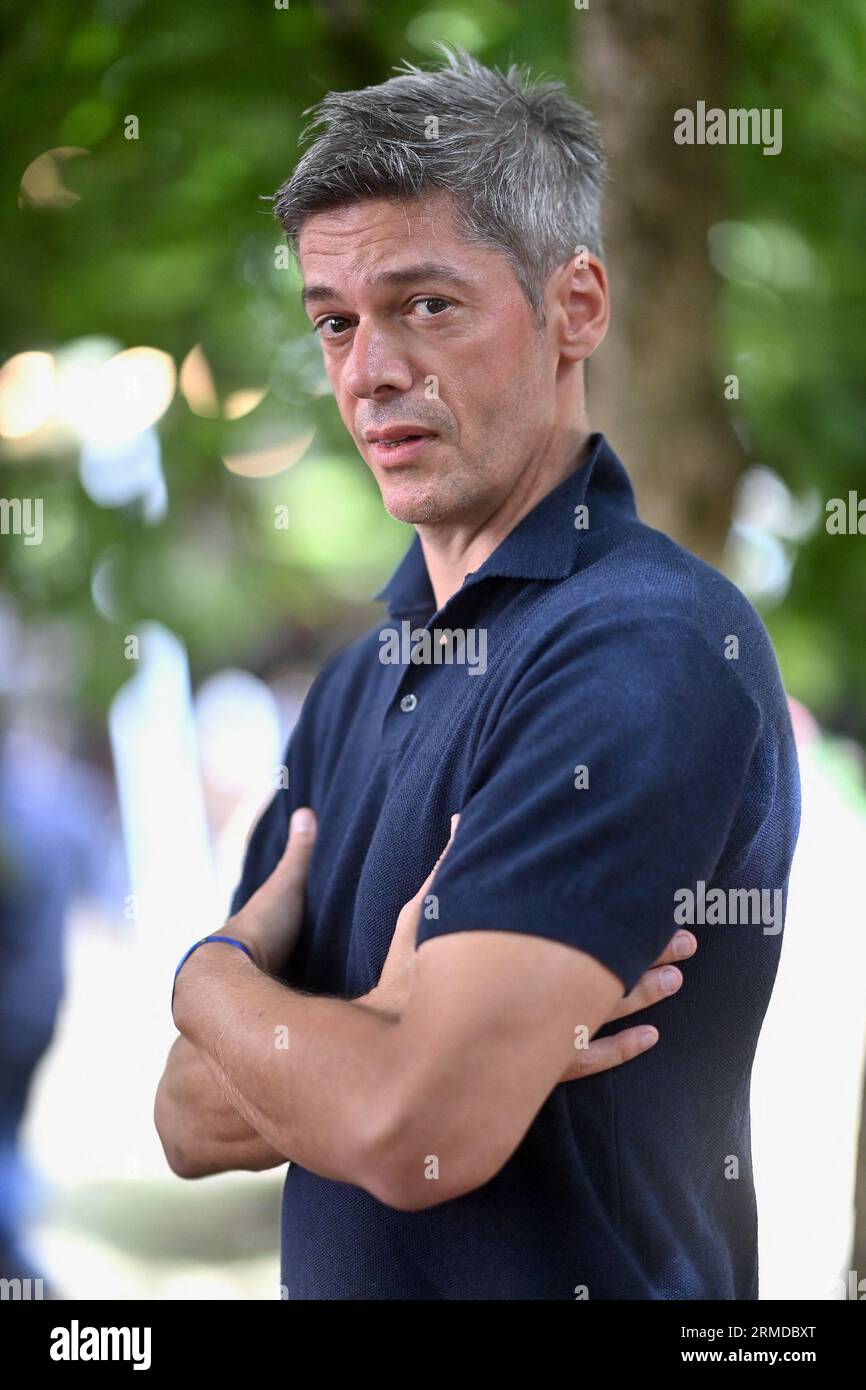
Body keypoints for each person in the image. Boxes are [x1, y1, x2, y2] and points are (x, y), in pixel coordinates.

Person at [155, 48, 801, 1300]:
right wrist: (379, 1023)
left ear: (576, 306)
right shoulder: (354, 680)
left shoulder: (646, 643)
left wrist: (209, 977)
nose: (368, 369)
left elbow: (416, 1130)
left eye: (426, 305)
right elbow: (183, 1119)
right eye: (336, 320)